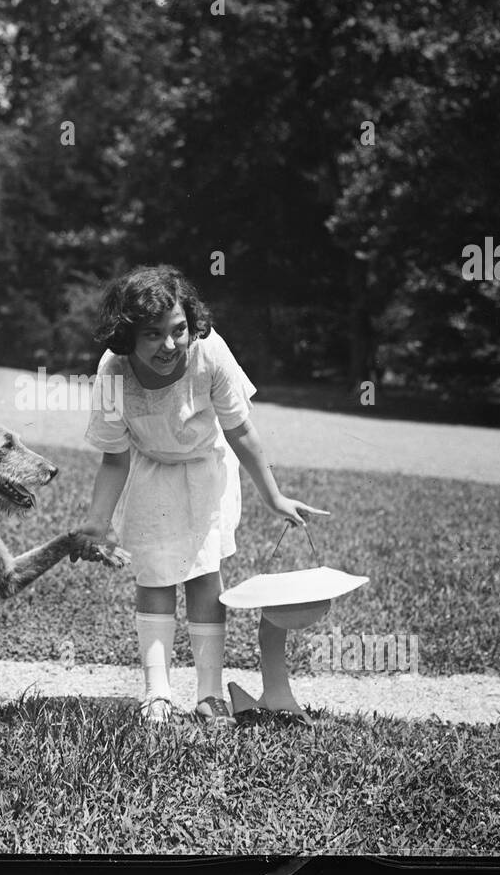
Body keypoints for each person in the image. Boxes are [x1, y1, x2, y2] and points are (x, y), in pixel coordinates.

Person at [77, 265, 328, 725]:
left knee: (203, 576)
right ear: (126, 336)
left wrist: (274, 497)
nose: (169, 345)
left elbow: (242, 431)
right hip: (151, 473)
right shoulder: (113, 374)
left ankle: (210, 693)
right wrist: (96, 524)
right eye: (152, 334)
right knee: (154, 576)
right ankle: (157, 694)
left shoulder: (210, 354)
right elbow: (115, 460)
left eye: (179, 330)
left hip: (206, 470)